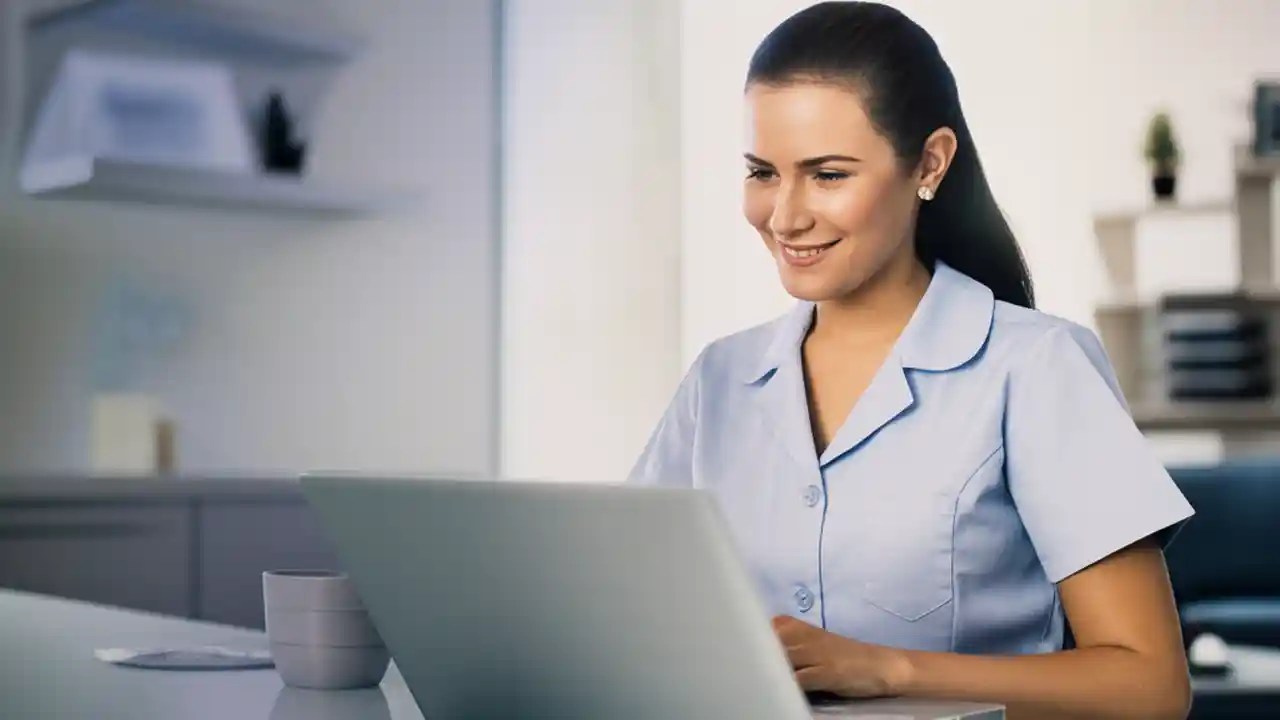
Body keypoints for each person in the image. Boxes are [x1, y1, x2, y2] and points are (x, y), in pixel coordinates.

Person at [626, 2, 1196, 718]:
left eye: (828, 174)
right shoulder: (719, 382)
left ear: (929, 163)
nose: (784, 215)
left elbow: (1149, 688)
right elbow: (633, 622)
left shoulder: (1035, 368)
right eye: (762, 172)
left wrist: (888, 669)